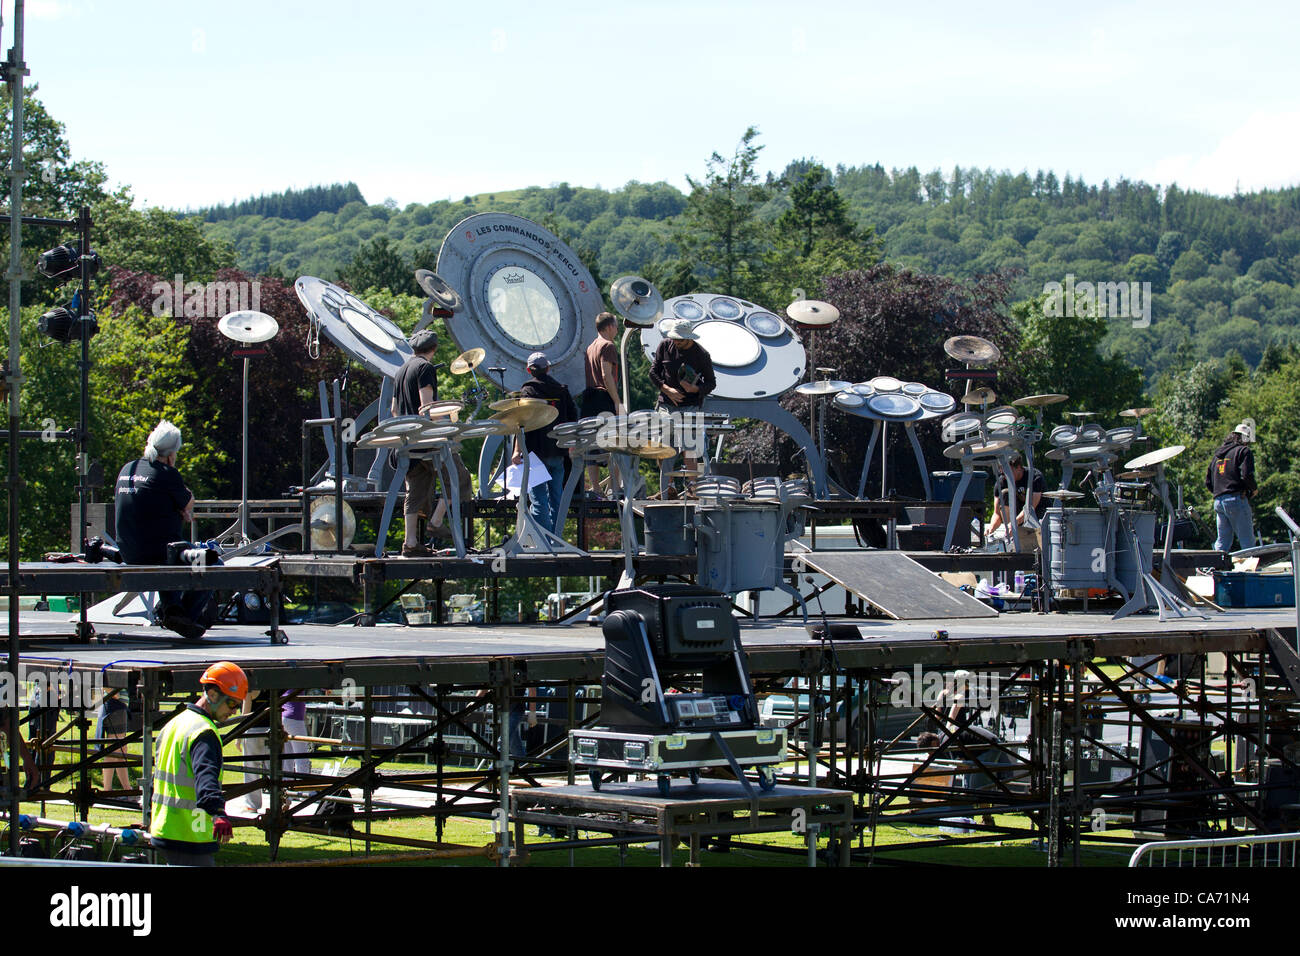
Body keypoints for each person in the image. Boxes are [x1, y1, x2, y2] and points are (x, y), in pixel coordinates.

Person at [114, 420, 213, 638]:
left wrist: (175, 507)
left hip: (128, 552)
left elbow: (153, 499)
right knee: (212, 564)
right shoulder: (167, 473)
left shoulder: (127, 469)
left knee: (173, 550)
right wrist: (182, 508)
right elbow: (188, 503)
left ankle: (171, 609)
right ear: (171, 455)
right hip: (159, 555)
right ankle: (180, 615)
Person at [150, 661, 246, 866]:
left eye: (238, 705)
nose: (235, 711)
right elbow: (206, 777)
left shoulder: (176, 723)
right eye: (232, 704)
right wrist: (218, 813)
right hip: (188, 834)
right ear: (212, 695)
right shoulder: (204, 732)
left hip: (166, 828)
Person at [392, 329, 450, 557]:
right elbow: (427, 408)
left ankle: (411, 543)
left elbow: (395, 410)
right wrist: (447, 423)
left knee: (414, 490)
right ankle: (436, 522)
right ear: (433, 349)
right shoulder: (425, 368)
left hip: (406, 441)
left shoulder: (401, 371)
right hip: (425, 439)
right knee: (459, 476)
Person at [648, 319, 716, 493]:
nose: (676, 341)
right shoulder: (664, 346)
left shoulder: (702, 355)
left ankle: (692, 487)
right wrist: (667, 389)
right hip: (666, 404)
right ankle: (668, 487)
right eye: (674, 338)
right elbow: (653, 373)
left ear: (689, 338)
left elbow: (711, 383)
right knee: (661, 445)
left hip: (690, 406)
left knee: (689, 446)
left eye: (680, 339)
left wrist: (696, 389)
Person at [516, 352, 578, 533]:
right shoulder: (561, 389)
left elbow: (520, 421)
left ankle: (544, 542)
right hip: (558, 451)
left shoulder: (528, 391)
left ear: (529, 370)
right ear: (548, 368)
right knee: (557, 498)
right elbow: (572, 418)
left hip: (535, 453)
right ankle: (556, 539)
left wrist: (517, 450)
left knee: (539, 501)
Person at [581, 312, 624, 497]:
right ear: (608, 327)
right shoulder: (608, 346)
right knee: (616, 443)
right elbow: (606, 375)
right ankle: (614, 487)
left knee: (592, 444)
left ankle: (596, 487)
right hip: (603, 398)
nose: (617, 329)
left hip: (589, 399)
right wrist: (617, 402)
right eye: (615, 325)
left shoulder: (591, 346)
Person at [1206, 419, 1257, 553]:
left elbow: (1208, 482)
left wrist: (1220, 493)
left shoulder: (1217, 456)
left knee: (1222, 542)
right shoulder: (1244, 451)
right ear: (1245, 439)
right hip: (1236, 499)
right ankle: (1251, 571)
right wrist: (1253, 490)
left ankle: (1214, 568)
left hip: (1218, 501)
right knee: (1248, 542)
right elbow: (1246, 475)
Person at [986, 454, 1045, 551]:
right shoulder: (1002, 481)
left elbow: (1030, 508)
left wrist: (1014, 524)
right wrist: (991, 528)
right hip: (1015, 522)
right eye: (1002, 471)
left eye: (1007, 471)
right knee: (1005, 493)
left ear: (1018, 468)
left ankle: (1013, 532)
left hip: (1036, 518)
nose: (1004, 475)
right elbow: (996, 514)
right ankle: (1011, 538)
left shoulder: (1034, 477)